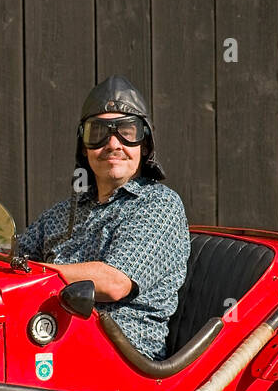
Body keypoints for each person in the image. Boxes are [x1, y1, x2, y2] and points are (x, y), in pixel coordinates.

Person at [15, 75, 189, 362]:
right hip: (50, 340)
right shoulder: (65, 211)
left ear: (144, 145)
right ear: (84, 147)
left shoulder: (159, 204)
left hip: (119, 358)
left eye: (127, 131)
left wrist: (30, 273)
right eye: (98, 132)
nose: (113, 143)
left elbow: (114, 283)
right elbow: (11, 256)